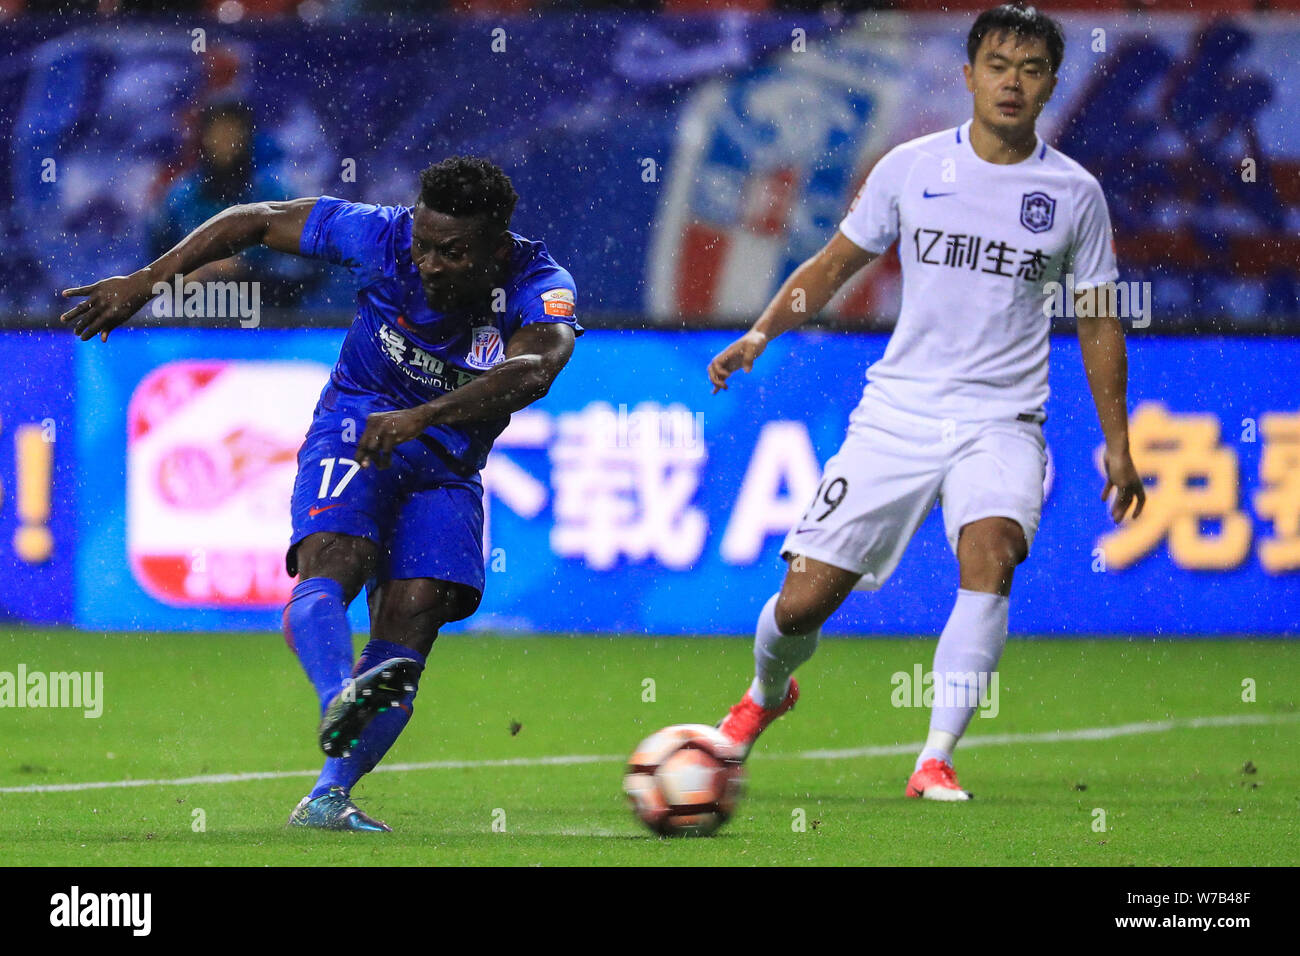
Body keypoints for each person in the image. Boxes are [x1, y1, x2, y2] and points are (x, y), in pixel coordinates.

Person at [61, 156, 581, 829]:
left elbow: (535, 369)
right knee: (333, 558)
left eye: (451, 253)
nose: (427, 263)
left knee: (414, 613)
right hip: (356, 427)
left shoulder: (541, 283)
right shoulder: (378, 234)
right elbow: (255, 221)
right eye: (423, 245)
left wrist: (422, 418)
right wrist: (150, 280)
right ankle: (339, 692)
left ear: (494, 245)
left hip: (447, 463)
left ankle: (329, 796)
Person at [706, 5, 1145, 800]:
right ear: (969, 73)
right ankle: (766, 695)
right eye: (999, 65)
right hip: (898, 415)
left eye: (1032, 68)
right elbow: (836, 262)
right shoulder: (910, 167)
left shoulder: (1074, 194)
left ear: (1049, 84)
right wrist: (761, 333)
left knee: (991, 554)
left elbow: (1099, 316)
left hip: (1003, 419)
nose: (1013, 82)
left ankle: (935, 756)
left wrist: (1117, 441)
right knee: (802, 604)